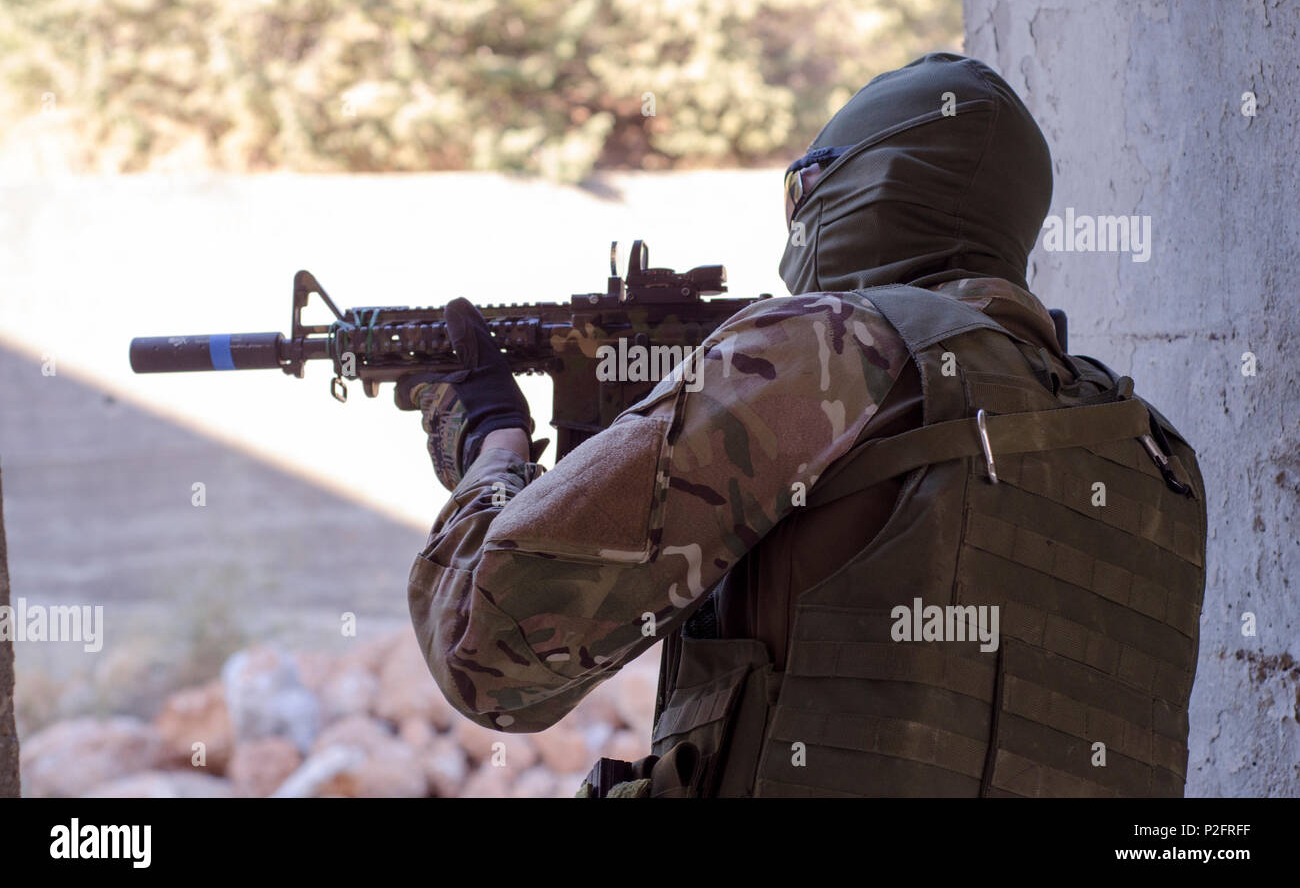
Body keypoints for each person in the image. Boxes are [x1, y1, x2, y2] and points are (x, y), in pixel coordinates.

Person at [402, 52, 1207, 798]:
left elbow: (488, 651)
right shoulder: (1152, 450)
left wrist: (493, 449)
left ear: (860, 190)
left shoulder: (827, 350)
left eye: (806, 189)